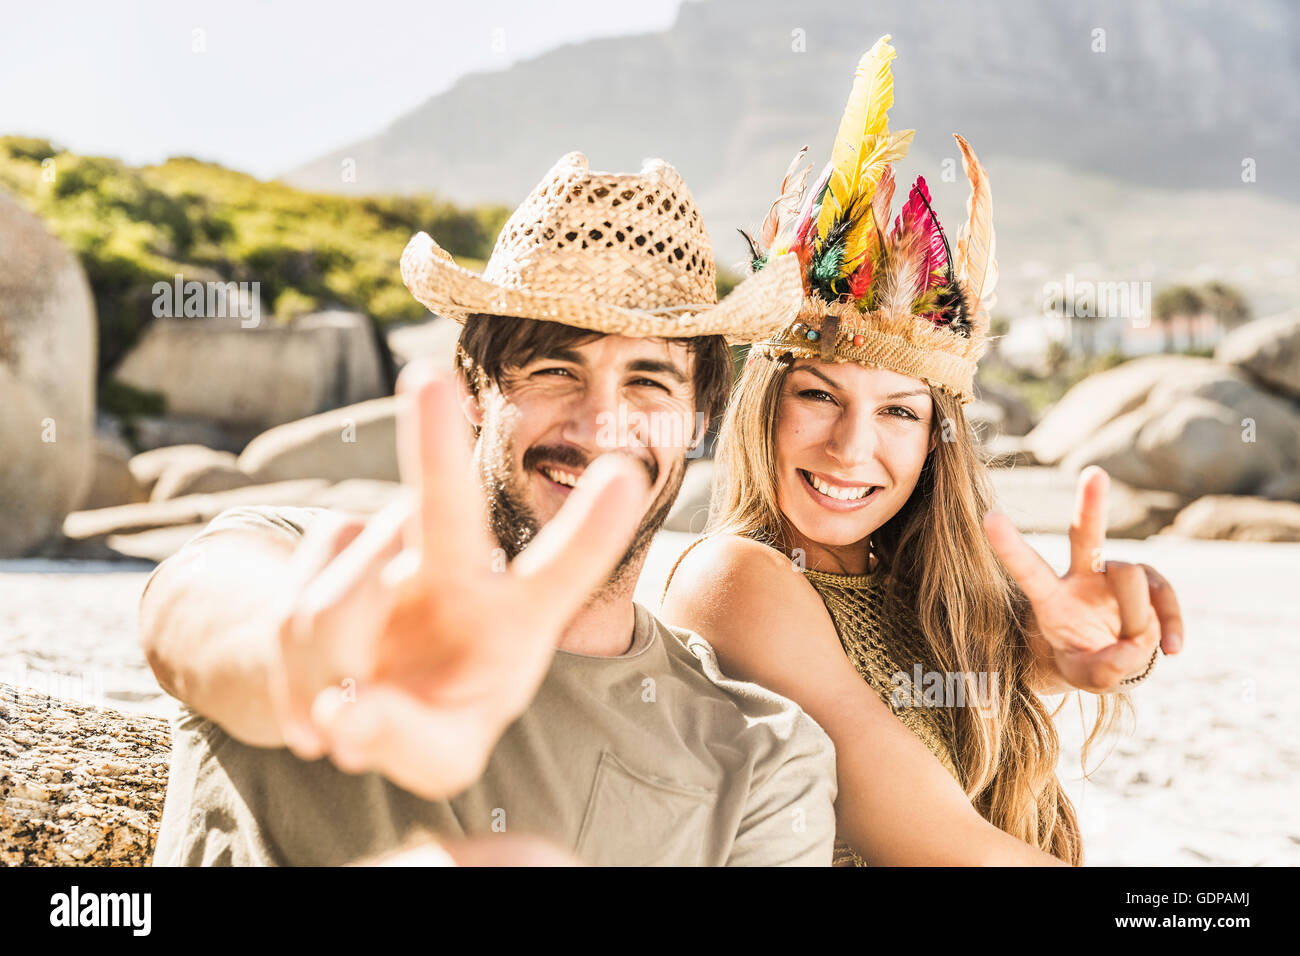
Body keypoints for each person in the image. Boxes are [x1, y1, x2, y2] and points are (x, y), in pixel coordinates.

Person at [139, 152, 836, 866]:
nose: (601, 425)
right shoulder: (296, 560)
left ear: (697, 418)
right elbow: (194, 618)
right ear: (474, 388)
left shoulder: (762, 760)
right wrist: (309, 663)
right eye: (556, 370)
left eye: (648, 381)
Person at [659, 36, 1184, 867]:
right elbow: (945, 848)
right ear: (765, 403)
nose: (852, 449)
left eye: (900, 412)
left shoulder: (920, 579)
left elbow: (1035, 655)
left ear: (938, 440)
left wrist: (1123, 643)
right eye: (819, 395)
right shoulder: (741, 580)